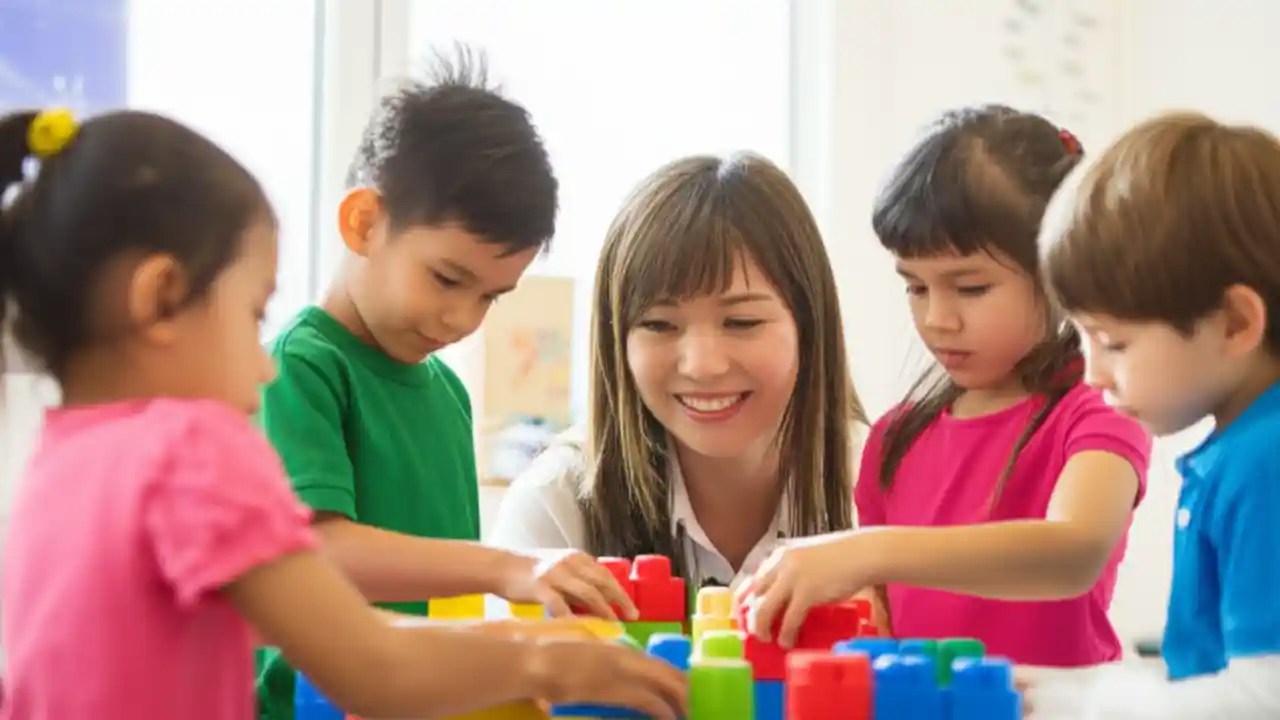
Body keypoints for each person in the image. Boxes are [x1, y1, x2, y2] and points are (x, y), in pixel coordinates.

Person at [0, 108, 686, 720]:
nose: (264, 361)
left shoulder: (56, 465)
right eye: (251, 314)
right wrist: (547, 659)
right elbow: (369, 668)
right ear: (161, 299)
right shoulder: (189, 447)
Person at [253, 50, 636, 719]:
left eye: (491, 297)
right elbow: (314, 552)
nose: (462, 319)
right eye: (447, 279)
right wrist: (506, 565)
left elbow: (439, 596)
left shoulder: (446, 395)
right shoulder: (299, 367)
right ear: (364, 223)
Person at [736, 105, 1151, 669]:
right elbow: (883, 621)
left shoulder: (1098, 408)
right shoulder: (896, 437)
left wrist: (868, 552)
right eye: (915, 287)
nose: (937, 319)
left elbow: (1074, 553)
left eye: (971, 288)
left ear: (1058, 268)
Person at [489, 152, 866, 593]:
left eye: (742, 323)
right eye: (659, 325)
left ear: (809, 323)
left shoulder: (880, 490)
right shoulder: (558, 503)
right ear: (617, 341)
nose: (702, 365)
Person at [1024, 112, 1280, 718]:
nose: (1094, 375)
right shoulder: (1240, 449)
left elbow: (1264, 696)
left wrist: (1084, 706)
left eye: (1113, 343)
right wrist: (1070, 693)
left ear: (1236, 323)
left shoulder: (1263, 462)